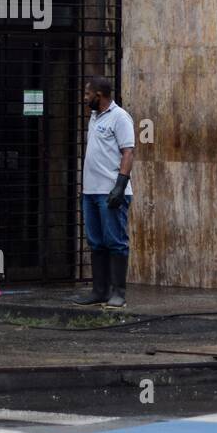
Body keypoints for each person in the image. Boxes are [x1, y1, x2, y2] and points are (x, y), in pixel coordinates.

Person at [75, 76, 135, 308]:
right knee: (96, 241)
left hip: (110, 191)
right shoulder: (94, 116)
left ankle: (118, 292)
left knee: (116, 241)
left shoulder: (120, 118)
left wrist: (120, 186)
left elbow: (128, 152)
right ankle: (99, 290)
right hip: (91, 191)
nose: (85, 98)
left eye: (88, 94)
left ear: (99, 96)